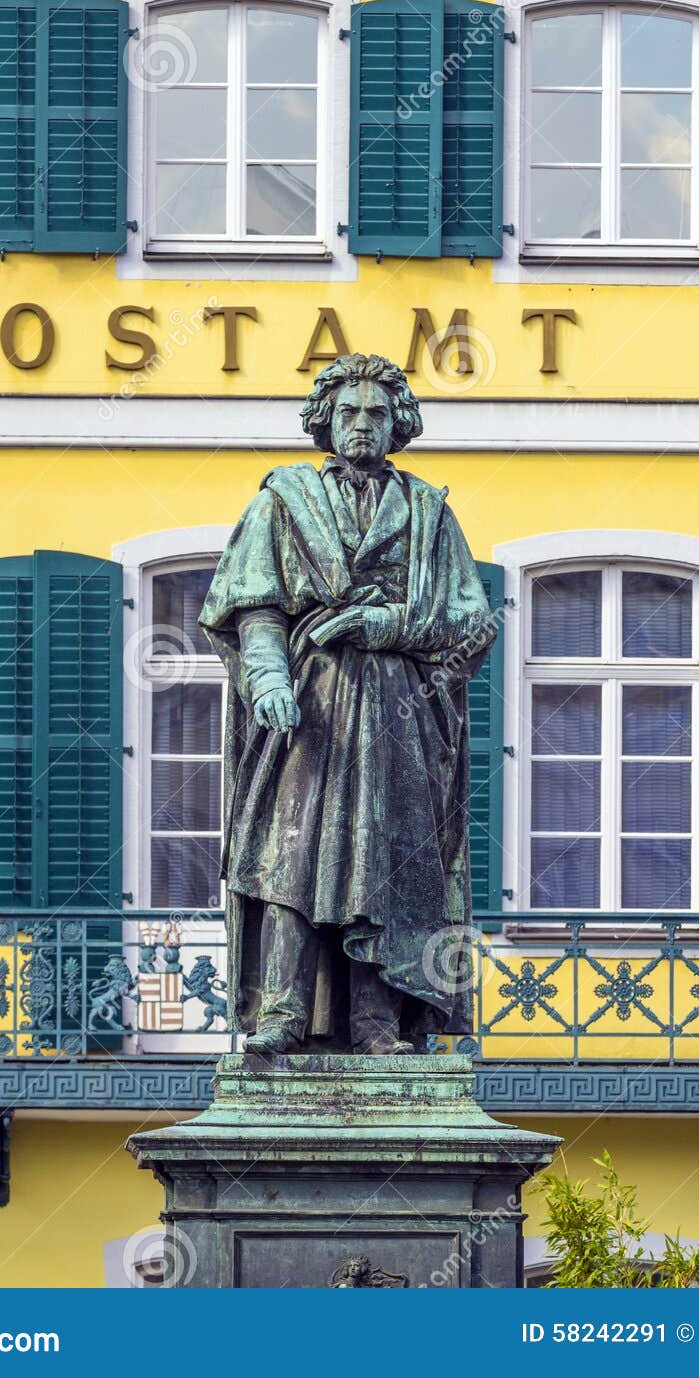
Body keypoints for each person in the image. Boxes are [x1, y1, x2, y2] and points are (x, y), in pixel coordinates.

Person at [199, 354, 494, 1055]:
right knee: (288, 857)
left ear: (398, 425)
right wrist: (266, 680)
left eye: (377, 414)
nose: (362, 425)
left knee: (387, 867)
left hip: (402, 714)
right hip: (308, 710)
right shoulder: (281, 500)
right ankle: (281, 1010)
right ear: (325, 420)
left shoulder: (428, 513)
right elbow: (255, 606)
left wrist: (384, 626)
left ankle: (377, 1024)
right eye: (349, 412)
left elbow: (471, 623)